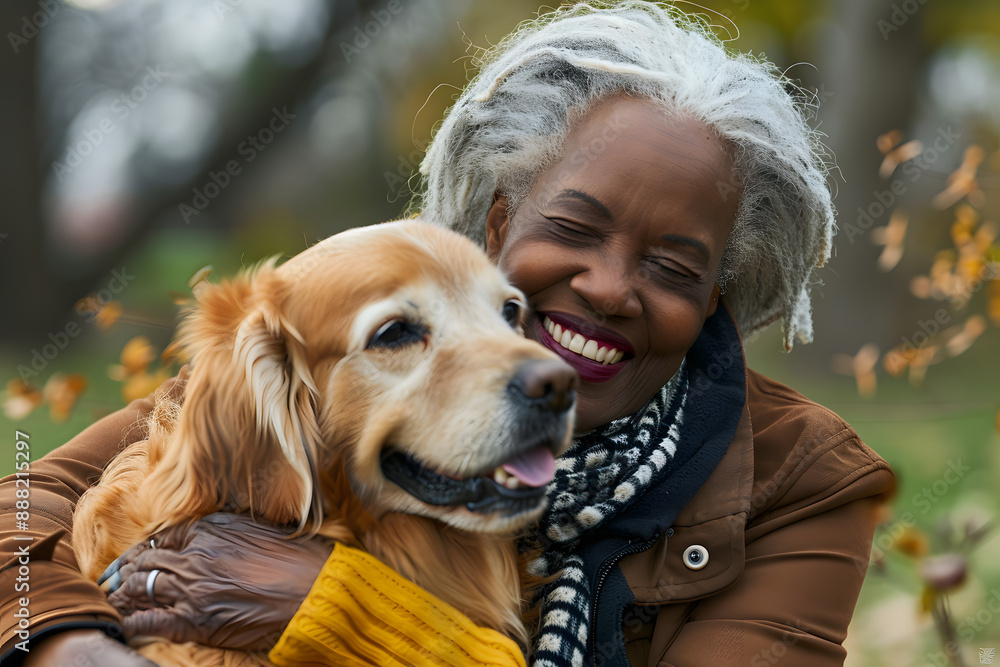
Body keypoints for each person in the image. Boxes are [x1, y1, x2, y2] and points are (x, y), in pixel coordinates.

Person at [1, 3, 895, 665]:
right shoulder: (297, 362)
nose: (611, 288)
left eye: (673, 268)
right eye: (575, 230)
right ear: (500, 224)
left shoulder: (805, 485)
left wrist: (344, 609)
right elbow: (15, 510)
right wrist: (79, 648)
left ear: (716, 298)